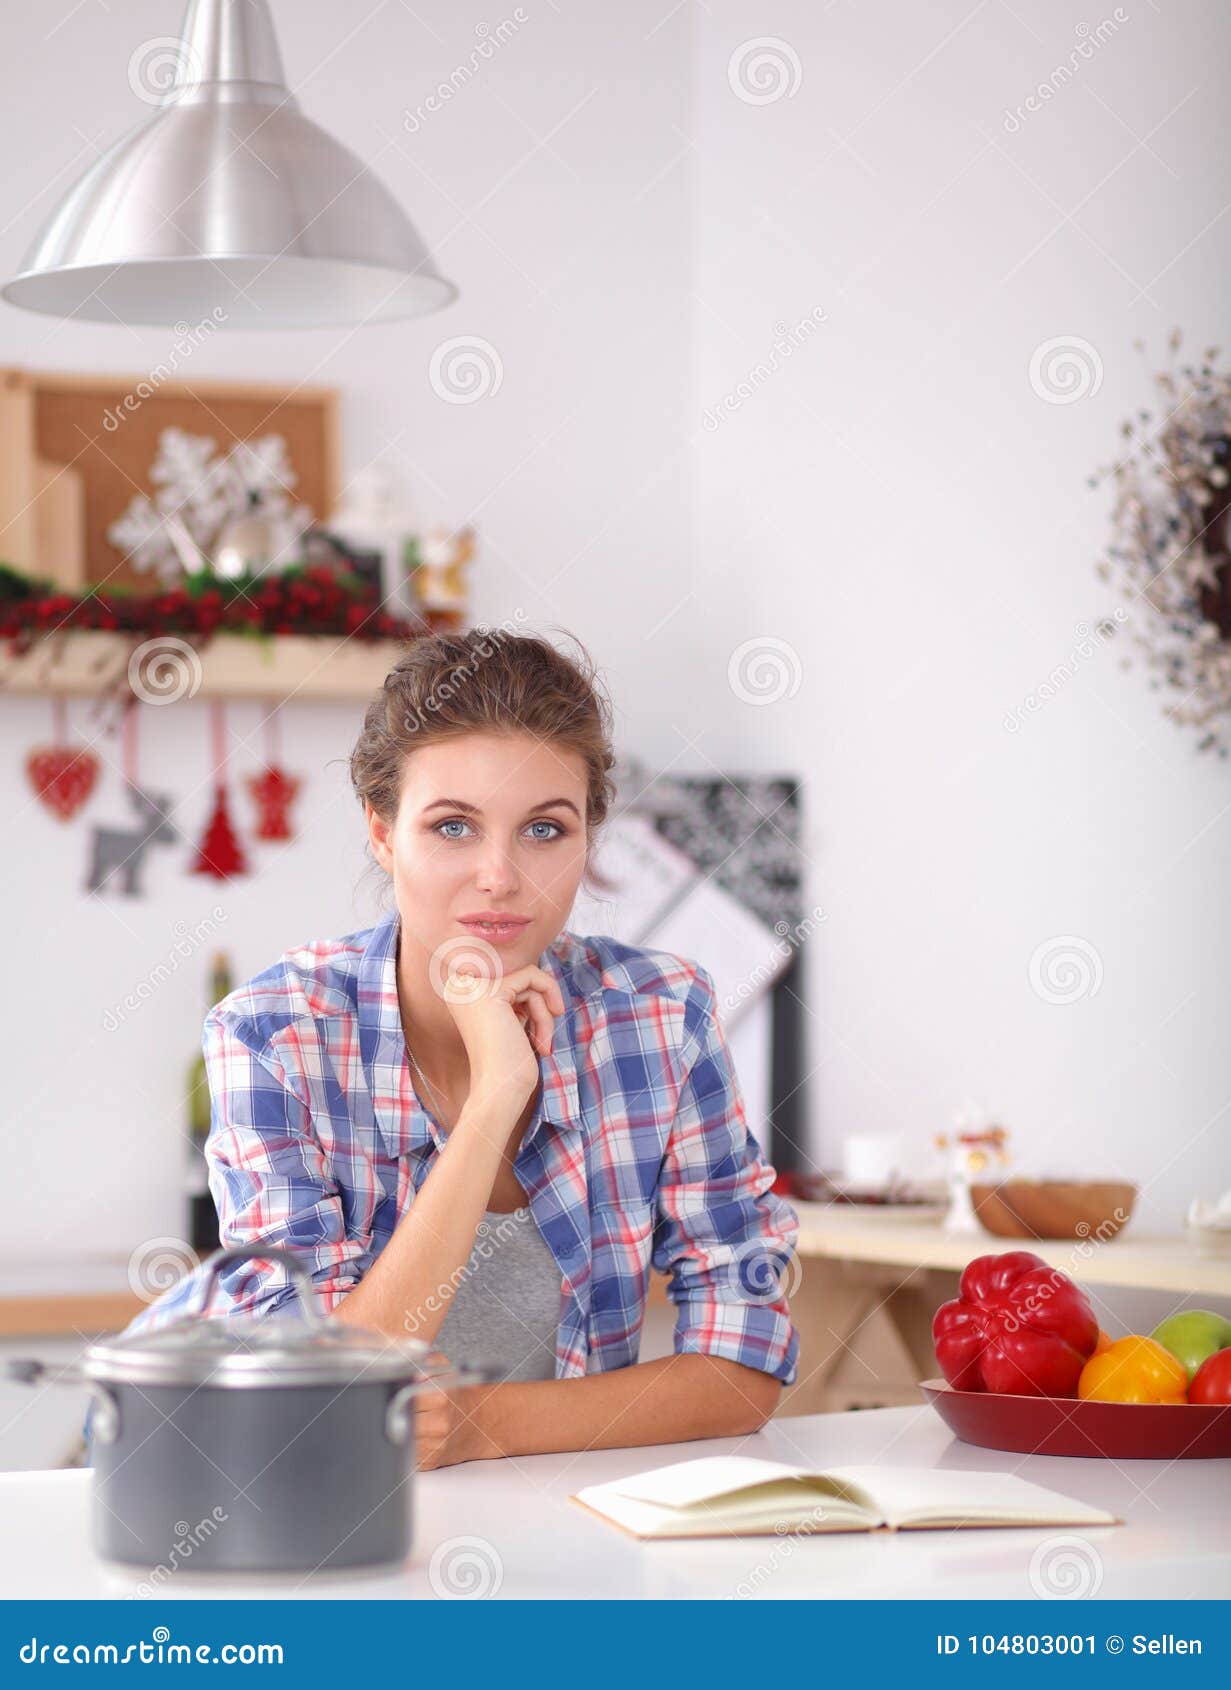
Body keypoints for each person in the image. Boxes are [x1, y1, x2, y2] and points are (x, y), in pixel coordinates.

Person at [100, 627, 799, 1469]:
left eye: (544, 830)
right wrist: (496, 1096)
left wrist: (479, 1424)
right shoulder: (276, 1033)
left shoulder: (657, 1016)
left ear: (588, 839)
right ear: (383, 832)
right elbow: (331, 1400)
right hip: (291, 1519)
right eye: (454, 827)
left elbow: (742, 1365)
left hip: (554, 1526)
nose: (500, 877)